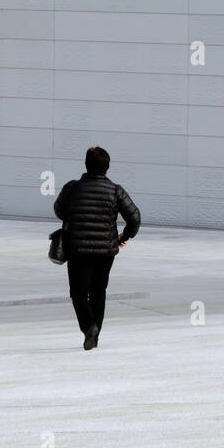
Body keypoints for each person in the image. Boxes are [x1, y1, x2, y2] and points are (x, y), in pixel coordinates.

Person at [53, 145, 140, 350]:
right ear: (107, 167)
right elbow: (134, 218)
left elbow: (59, 210)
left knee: (78, 294)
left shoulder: (72, 188)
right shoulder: (115, 190)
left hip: (78, 249)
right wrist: (124, 237)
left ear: (86, 164)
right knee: (98, 292)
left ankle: (89, 328)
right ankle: (95, 335)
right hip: (106, 251)